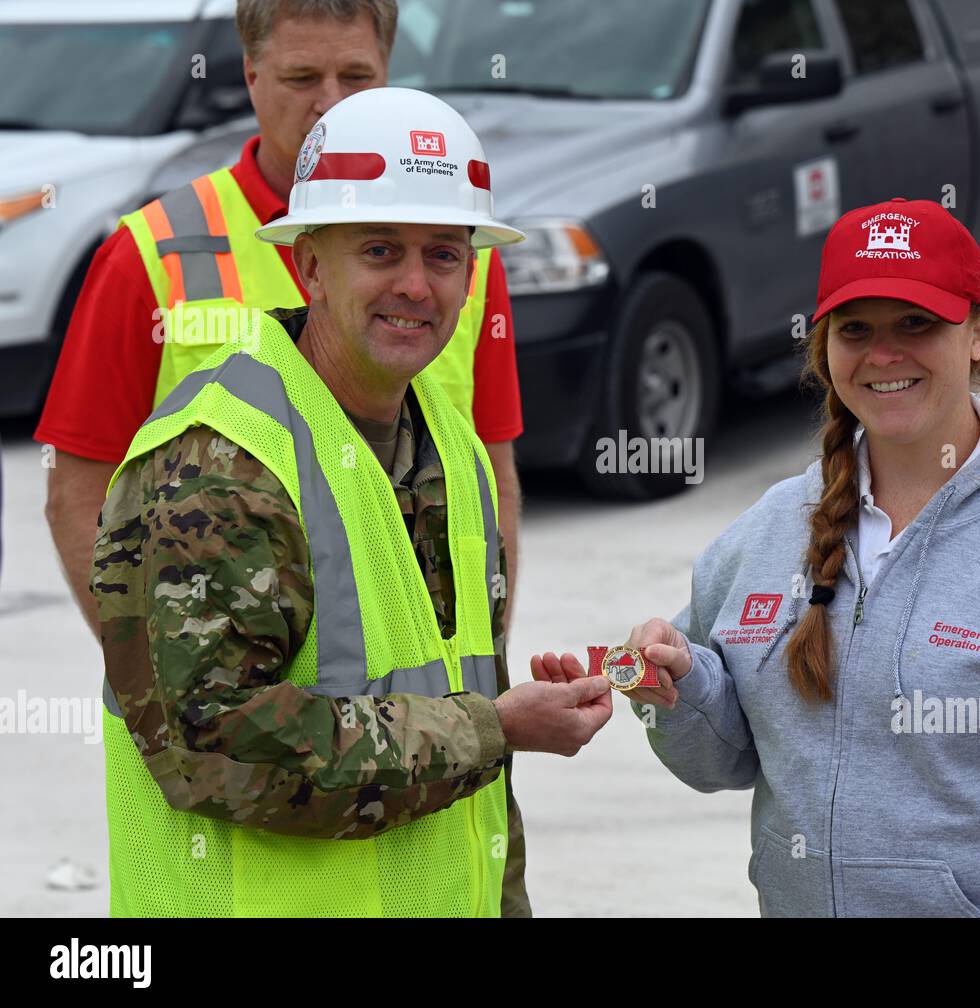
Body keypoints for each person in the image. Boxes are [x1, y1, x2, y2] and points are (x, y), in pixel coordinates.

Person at [532, 198, 980, 917]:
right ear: (824, 343)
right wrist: (684, 685)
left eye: (916, 323)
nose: (883, 354)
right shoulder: (769, 534)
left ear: (979, 332)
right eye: (856, 329)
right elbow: (722, 761)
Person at [93, 87, 610, 917]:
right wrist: (495, 727)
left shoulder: (451, 444)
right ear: (309, 265)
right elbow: (214, 746)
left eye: (443, 255)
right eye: (379, 250)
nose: (415, 284)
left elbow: (476, 771)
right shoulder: (220, 462)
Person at [39, 0, 525, 642]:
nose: (331, 102)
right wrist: (148, 672)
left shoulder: (462, 262)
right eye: (302, 78)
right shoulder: (150, 252)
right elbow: (77, 487)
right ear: (251, 76)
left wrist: (484, 679)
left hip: (434, 718)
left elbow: (493, 472)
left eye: (356, 77)